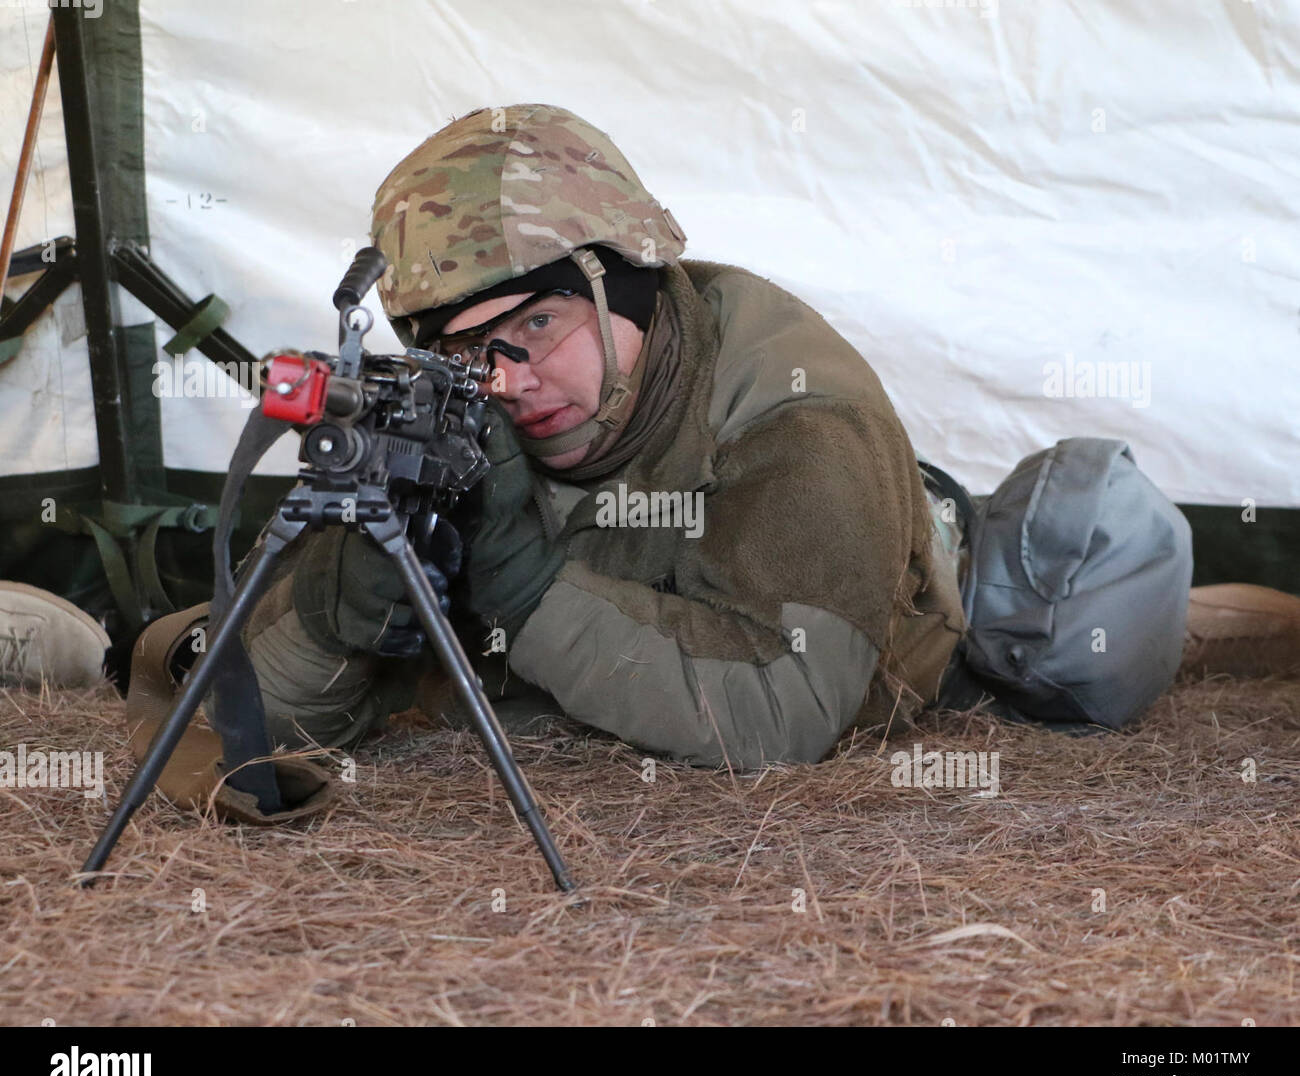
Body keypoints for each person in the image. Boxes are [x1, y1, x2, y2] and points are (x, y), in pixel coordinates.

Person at [140, 104, 1299, 799]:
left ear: (624, 284)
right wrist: (342, 612)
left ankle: (1227, 607)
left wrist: (525, 588)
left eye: (535, 328)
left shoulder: (797, 406)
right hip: (656, 605)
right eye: (464, 351)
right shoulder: (466, 406)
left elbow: (785, 711)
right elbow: (259, 724)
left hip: (911, 585)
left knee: (1088, 627)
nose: (507, 380)